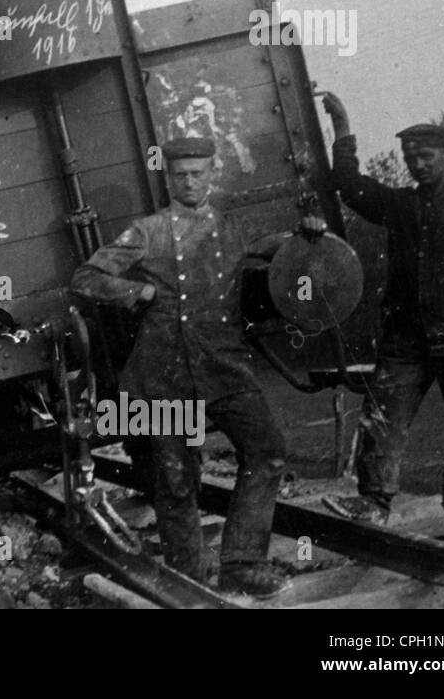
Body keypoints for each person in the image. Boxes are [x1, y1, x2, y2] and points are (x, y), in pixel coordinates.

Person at [70, 137, 326, 598]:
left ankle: (242, 565)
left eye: (197, 172)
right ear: (167, 178)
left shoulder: (233, 228)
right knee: (175, 478)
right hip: (163, 373)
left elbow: (280, 249)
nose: (189, 181)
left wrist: (307, 232)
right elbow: (85, 278)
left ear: (213, 173)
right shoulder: (147, 232)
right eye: (179, 174)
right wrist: (136, 293)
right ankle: (187, 581)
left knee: (267, 452)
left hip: (221, 365)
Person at [320, 95, 444, 542]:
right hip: (407, 340)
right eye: (410, 158)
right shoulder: (401, 206)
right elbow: (350, 185)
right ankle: (374, 503)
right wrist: (342, 128)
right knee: (382, 418)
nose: (418, 164)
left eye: (426, 156)